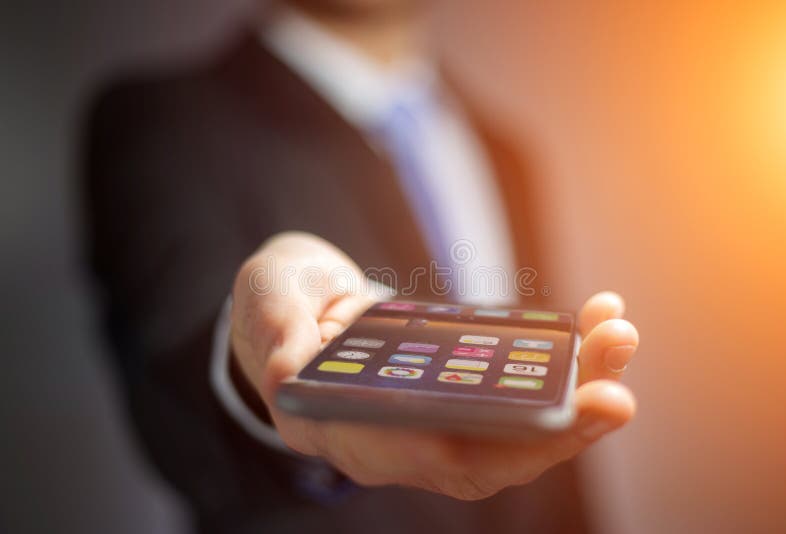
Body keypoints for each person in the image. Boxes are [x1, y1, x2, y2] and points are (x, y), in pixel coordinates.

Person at [84, 1, 639, 533]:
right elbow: (176, 378)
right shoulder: (165, 120)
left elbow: (553, 408)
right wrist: (258, 364)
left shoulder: (507, 154)